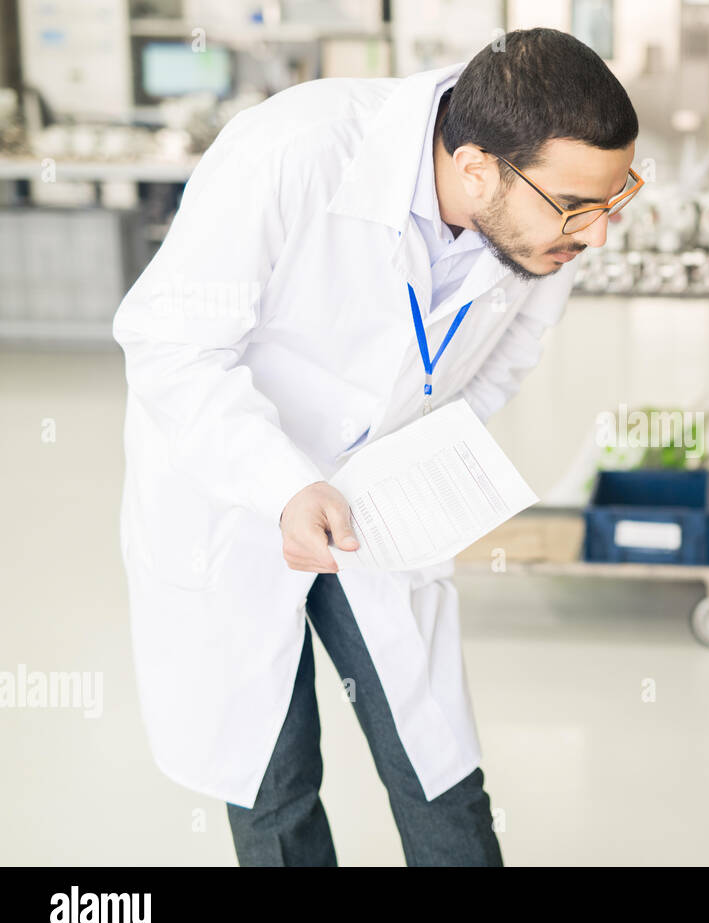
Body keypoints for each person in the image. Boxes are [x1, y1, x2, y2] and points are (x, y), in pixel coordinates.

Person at [112, 28, 640, 866]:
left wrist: (425, 469)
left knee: (439, 770)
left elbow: (503, 362)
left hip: (383, 505)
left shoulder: (551, 219)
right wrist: (283, 484)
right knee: (274, 784)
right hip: (237, 501)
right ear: (476, 168)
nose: (599, 235)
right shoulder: (292, 152)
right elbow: (170, 347)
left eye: (616, 202)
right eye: (581, 208)